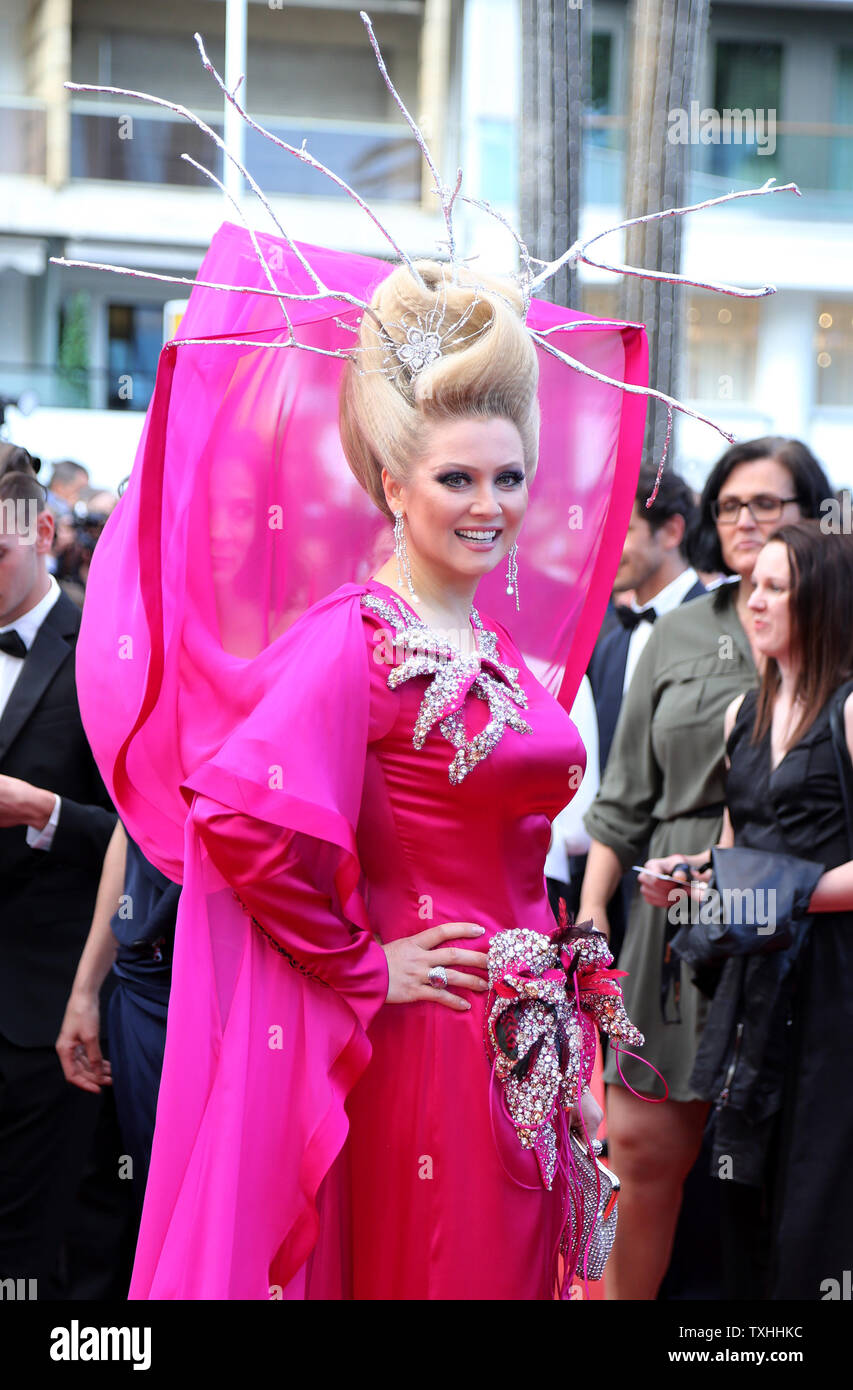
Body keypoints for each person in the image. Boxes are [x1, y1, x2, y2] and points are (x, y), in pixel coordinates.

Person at [81, 253, 655, 1302]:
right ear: (392, 483)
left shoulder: (491, 642)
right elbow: (240, 818)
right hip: (425, 1043)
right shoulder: (354, 639)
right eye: (457, 478)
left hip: (522, 1040)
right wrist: (361, 965)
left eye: (508, 477)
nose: (490, 505)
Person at [578, 437, 833, 1299]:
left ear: (812, 521)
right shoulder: (679, 629)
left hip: (793, 924)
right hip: (692, 908)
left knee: (778, 1165)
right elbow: (622, 796)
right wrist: (597, 911)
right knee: (645, 1141)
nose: (745, 523)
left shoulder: (834, 654)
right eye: (730, 506)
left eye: (766, 505)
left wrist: (767, 887)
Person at [640, 521, 853, 1299]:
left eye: (772, 587)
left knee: (818, 1191)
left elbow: (758, 877)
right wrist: (687, 878)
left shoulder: (848, 710)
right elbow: (733, 852)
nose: (750, 601)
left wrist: (770, 893)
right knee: (740, 1190)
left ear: (821, 601)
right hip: (752, 986)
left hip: (831, 987)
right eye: (748, 585)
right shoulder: (743, 716)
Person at [0, 470, 131, 1298]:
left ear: (44, 535)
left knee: (42, 1243)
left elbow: (143, 830)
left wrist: (42, 810)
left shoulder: (104, 652)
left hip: (46, 1007)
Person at [550, 465, 704, 952]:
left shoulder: (722, 628)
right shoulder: (606, 635)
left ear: (672, 531)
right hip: (600, 872)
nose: (610, 546)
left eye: (626, 530)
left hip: (684, 872)